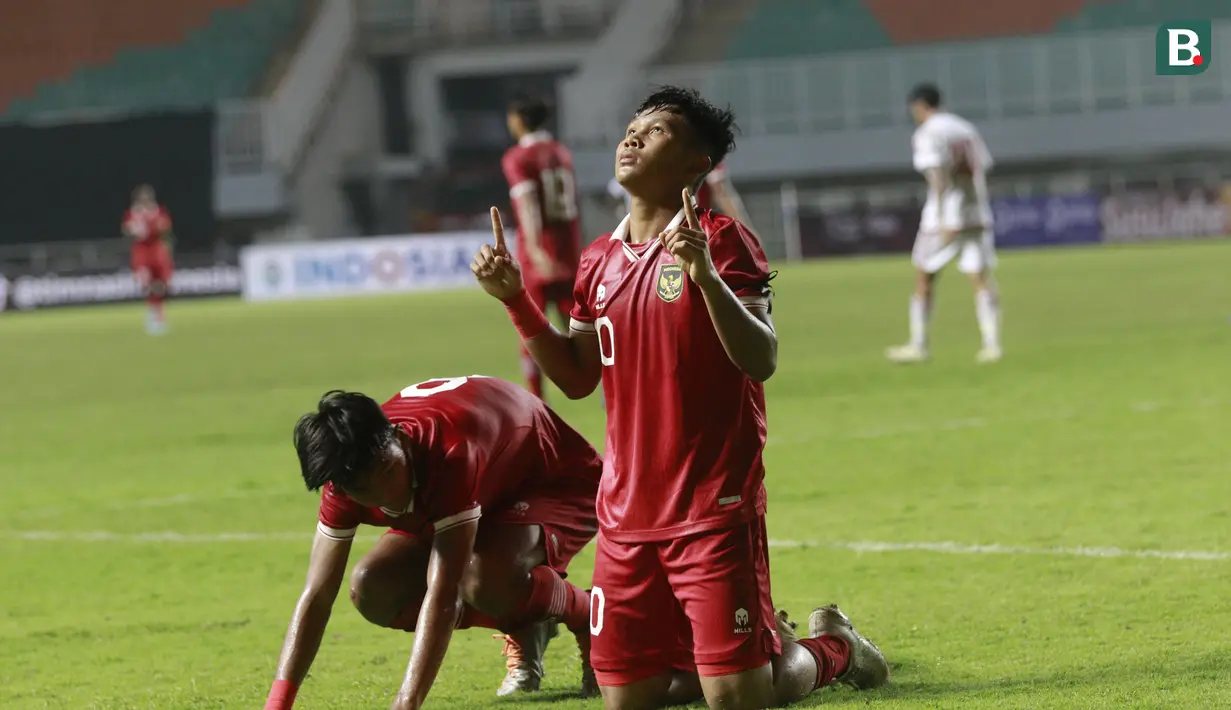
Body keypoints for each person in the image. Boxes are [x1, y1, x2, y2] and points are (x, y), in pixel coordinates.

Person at [472, 86, 889, 709]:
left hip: (713, 509)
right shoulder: (597, 261)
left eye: (658, 130)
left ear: (698, 163)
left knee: (740, 697)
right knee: (633, 698)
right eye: (632, 127)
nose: (633, 137)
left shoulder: (723, 242)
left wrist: (707, 279)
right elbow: (579, 378)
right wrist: (516, 301)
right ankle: (755, 638)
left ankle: (834, 650)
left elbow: (762, 358)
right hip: (625, 518)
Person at [263, 376, 600, 710]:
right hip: (479, 486)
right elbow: (317, 594)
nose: (385, 495)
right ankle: (525, 618)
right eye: (365, 491)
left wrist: (406, 703)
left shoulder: (451, 453)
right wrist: (277, 704)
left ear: (399, 438)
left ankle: (588, 614)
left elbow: (444, 592)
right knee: (373, 588)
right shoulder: (343, 477)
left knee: (484, 579)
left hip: (550, 478)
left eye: (387, 471)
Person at [886, 83, 1002, 364]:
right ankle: (992, 344)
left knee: (924, 275)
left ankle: (919, 345)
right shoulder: (965, 128)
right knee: (980, 276)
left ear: (919, 106)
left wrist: (942, 217)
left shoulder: (928, 133)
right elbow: (982, 168)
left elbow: (936, 175)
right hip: (976, 212)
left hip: (945, 216)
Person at [501, 95, 583, 400]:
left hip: (538, 258)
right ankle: (610, 392)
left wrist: (535, 248)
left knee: (532, 333)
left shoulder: (518, 157)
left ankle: (537, 401)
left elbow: (528, 204)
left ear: (520, 120)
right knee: (580, 331)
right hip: (569, 251)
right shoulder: (561, 152)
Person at [607, 161, 752, 226]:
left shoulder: (703, 156)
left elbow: (720, 192)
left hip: (681, 226)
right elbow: (721, 193)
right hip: (673, 227)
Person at [121, 184, 174, 334]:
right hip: (142, 251)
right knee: (146, 283)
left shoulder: (157, 211)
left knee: (162, 284)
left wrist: (159, 225)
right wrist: (131, 229)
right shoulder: (134, 213)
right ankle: (152, 314)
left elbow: (165, 226)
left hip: (157, 250)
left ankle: (159, 314)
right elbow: (127, 228)